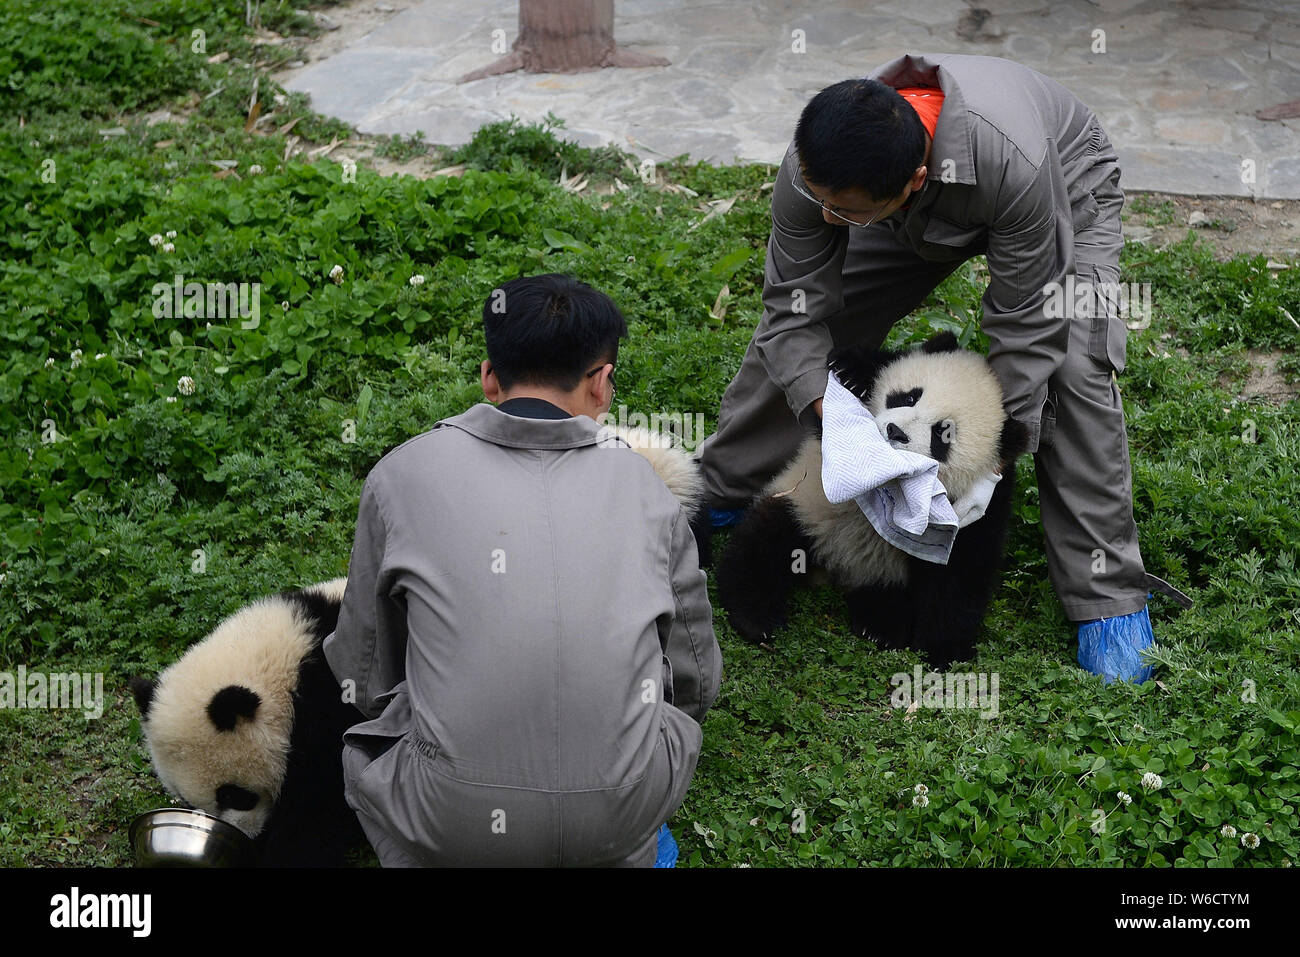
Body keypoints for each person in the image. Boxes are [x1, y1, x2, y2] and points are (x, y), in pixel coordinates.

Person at [696, 53, 1158, 683]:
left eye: (845, 214)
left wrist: (999, 441)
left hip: (1058, 182)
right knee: (809, 335)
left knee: (1073, 367)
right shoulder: (820, 175)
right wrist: (824, 405)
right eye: (821, 202)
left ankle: (1106, 600)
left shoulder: (1015, 166)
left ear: (914, 180)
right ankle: (721, 490)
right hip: (895, 199)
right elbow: (792, 307)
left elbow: (1028, 319)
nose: (829, 221)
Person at [325, 273, 722, 866]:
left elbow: (362, 669)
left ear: (489, 376)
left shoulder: (401, 475)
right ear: (601, 382)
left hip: (450, 821)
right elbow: (695, 676)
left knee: (375, 744)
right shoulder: (647, 487)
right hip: (619, 816)